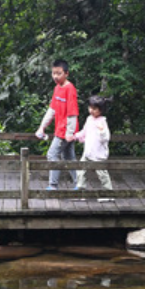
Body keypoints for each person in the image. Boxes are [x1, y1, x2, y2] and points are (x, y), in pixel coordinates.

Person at [34, 59, 79, 190]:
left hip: (66, 131)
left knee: (52, 154)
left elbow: (72, 113)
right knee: (69, 157)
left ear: (66, 73)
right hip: (60, 129)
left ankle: (53, 185)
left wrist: (70, 133)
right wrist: (42, 126)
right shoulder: (57, 88)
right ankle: (79, 184)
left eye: (58, 73)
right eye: (53, 73)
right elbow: (52, 110)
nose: (55, 76)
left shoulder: (70, 89)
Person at [74, 94, 113, 201]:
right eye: (90, 107)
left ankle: (108, 194)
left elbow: (106, 138)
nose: (91, 110)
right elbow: (85, 132)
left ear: (101, 110)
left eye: (94, 109)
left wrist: (101, 130)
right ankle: (81, 192)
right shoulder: (89, 119)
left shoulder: (102, 122)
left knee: (102, 174)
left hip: (98, 154)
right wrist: (76, 136)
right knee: (81, 172)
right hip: (88, 152)